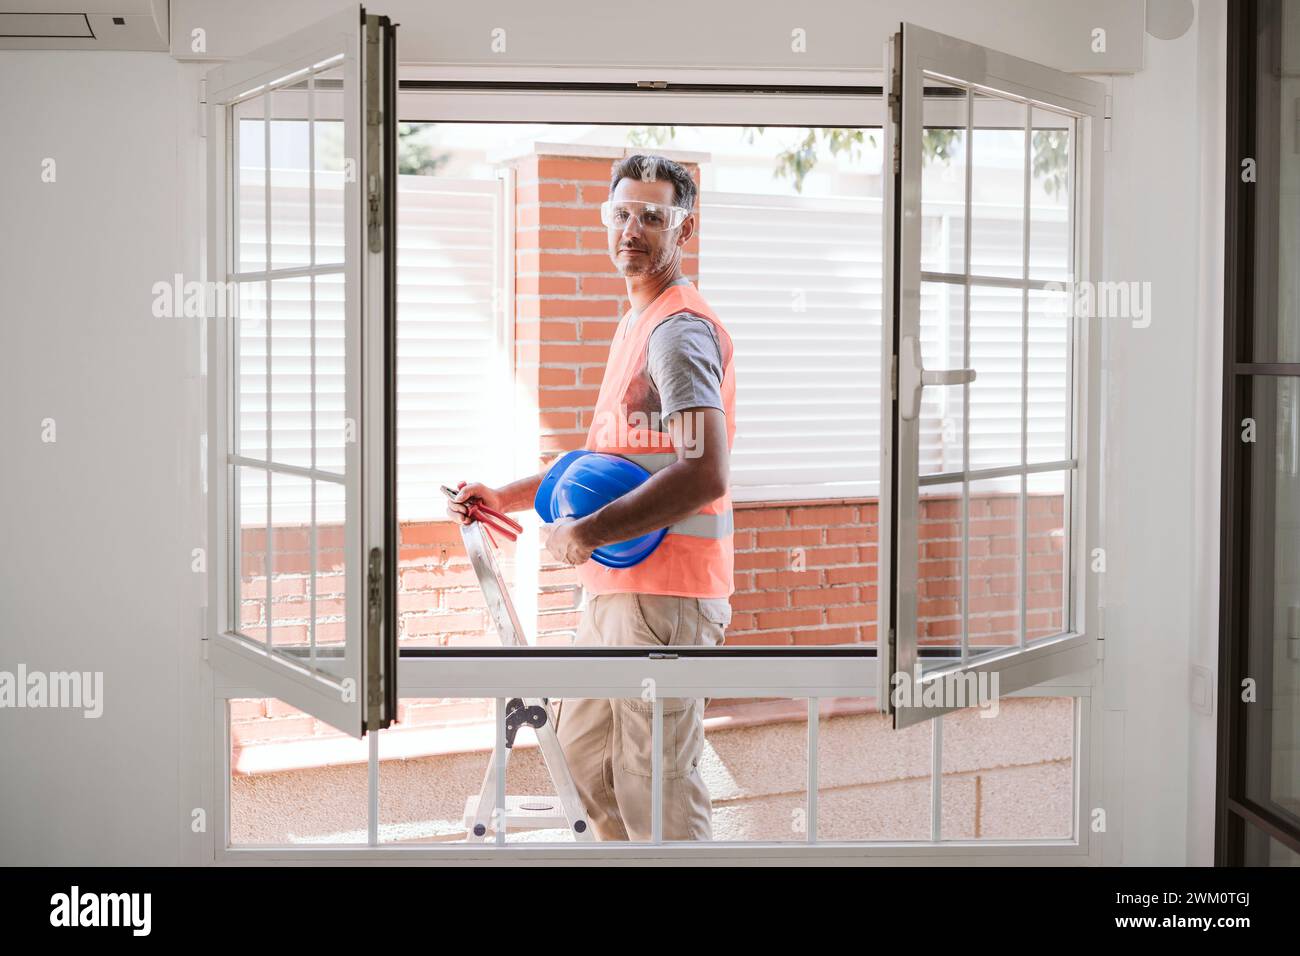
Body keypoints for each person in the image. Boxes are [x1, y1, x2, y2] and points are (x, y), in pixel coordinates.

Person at [448, 154, 737, 841]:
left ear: (684, 228)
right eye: (621, 213)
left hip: (665, 599)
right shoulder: (637, 321)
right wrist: (511, 496)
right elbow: (598, 464)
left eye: (653, 216)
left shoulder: (677, 330)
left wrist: (586, 534)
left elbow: (705, 472)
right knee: (581, 766)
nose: (631, 229)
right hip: (619, 590)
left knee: (652, 790)